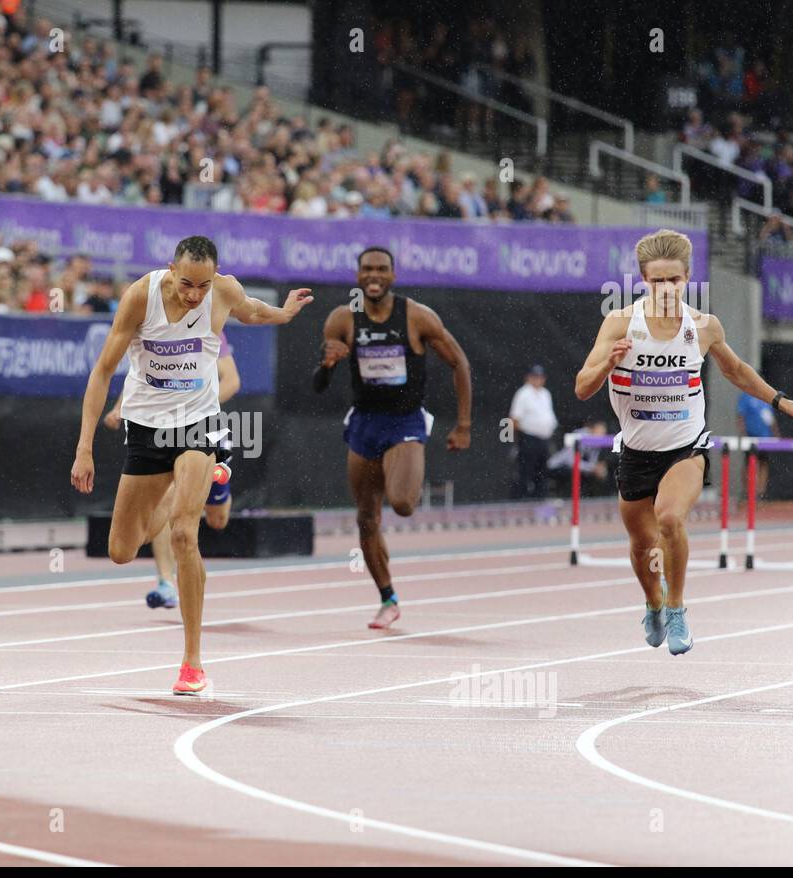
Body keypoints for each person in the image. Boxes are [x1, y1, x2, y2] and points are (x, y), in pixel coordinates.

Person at [71, 236, 313, 695]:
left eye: (203, 286)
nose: (194, 295)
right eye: (186, 285)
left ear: (215, 278)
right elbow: (103, 371)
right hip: (145, 427)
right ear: (170, 270)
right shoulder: (141, 296)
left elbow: (252, 311)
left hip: (198, 423)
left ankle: (192, 662)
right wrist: (84, 448)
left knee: (185, 534)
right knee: (123, 549)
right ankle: (178, 487)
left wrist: (283, 312)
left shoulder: (222, 291)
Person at [574, 229, 793, 656]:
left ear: (688, 278)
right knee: (640, 545)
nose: (667, 289)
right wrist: (607, 363)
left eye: (674, 280)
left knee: (670, 519)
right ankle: (654, 604)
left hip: (685, 448)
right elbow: (582, 387)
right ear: (643, 282)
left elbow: (736, 370)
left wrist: (782, 402)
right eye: (657, 281)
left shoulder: (703, 326)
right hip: (636, 452)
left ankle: (676, 608)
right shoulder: (620, 322)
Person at [314, 246, 472, 629]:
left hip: (404, 422)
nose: (374, 275)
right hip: (365, 423)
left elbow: (459, 363)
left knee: (401, 503)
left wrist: (464, 424)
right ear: (357, 276)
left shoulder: (416, 316)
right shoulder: (342, 319)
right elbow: (318, 385)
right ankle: (388, 597)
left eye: (382, 269)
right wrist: (327, 365)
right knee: (367, 518)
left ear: (393, 275)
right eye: (367, 269)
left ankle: (402, 471)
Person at [102, 330, 242, 609]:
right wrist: (119, 408)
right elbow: (138, 376)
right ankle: (167, 581)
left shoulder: (209, 326)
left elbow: (232, 381)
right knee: (168, 498)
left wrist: (198, 404)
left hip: (201, 425)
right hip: (160, 428)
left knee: (217, 520)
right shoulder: (151, 327)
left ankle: (217, 484)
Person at [509, 364, 558, 499]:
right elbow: (514, 418)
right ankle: (520, 502)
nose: (538, 379)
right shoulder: (523, 393)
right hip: (528, 439)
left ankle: (540, 500)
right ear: (528, 378)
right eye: (535, 376)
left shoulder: (546, 394)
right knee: (525, 471)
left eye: (540, 377)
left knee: (542, 472)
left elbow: (549, 417)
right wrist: (519, 440)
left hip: (544, 440)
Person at [737, 384, 779, 499]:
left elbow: (770, 419)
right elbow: (740, 416)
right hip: (751, 437)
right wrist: (743, 434)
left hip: (765, 437)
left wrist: (775, 433)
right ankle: (747, 492)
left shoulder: (766, 397)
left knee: (763, 463)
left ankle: (761, 493)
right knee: (748, 464)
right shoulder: (746, 397)